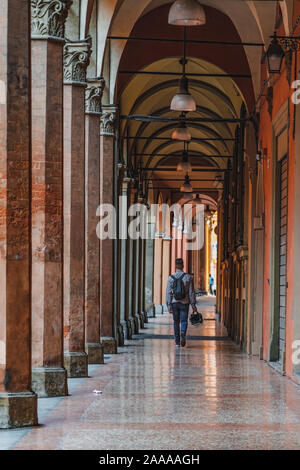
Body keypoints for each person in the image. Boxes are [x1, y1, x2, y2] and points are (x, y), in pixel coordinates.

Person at [166, 258, 197, 348]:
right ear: (183, 266)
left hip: (175, 303)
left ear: (175, 266)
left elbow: (168, 293)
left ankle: (177, 342)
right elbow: (191, 292)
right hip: (185, 302)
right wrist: (193, 305)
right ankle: (183, 332)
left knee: (176, 322)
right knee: (184, 320)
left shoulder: (171, 278)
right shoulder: (188, 277)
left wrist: (168, 305)